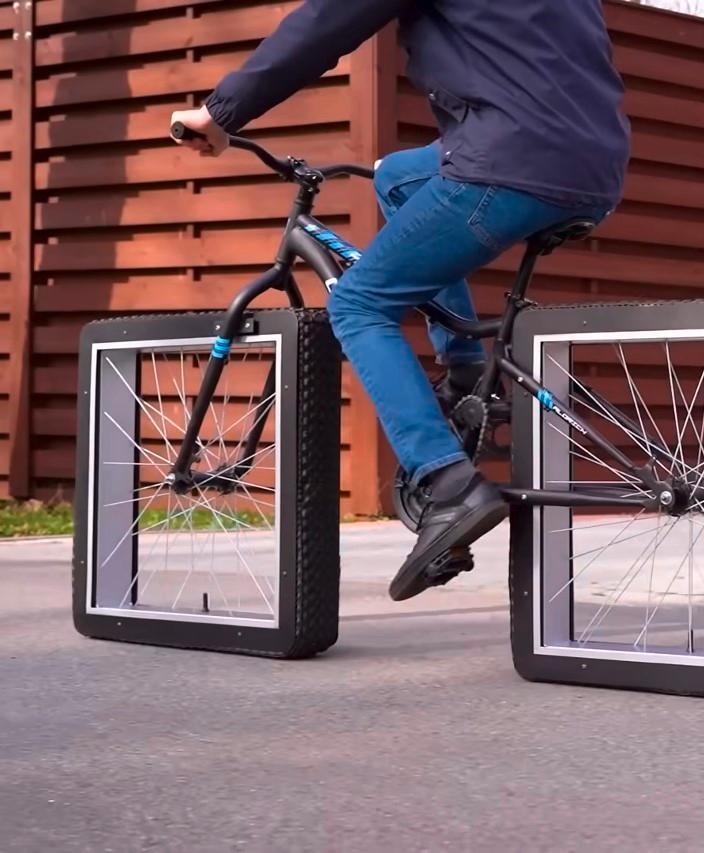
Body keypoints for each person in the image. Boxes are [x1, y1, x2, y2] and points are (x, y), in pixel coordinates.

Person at [171, 1, 630, 602]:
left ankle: (447, 486)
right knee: (395, 176)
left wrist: (220, 111)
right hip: (593, 165)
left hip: (508, 162)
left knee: (359, 306)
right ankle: (466, 369)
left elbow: (329, 21)